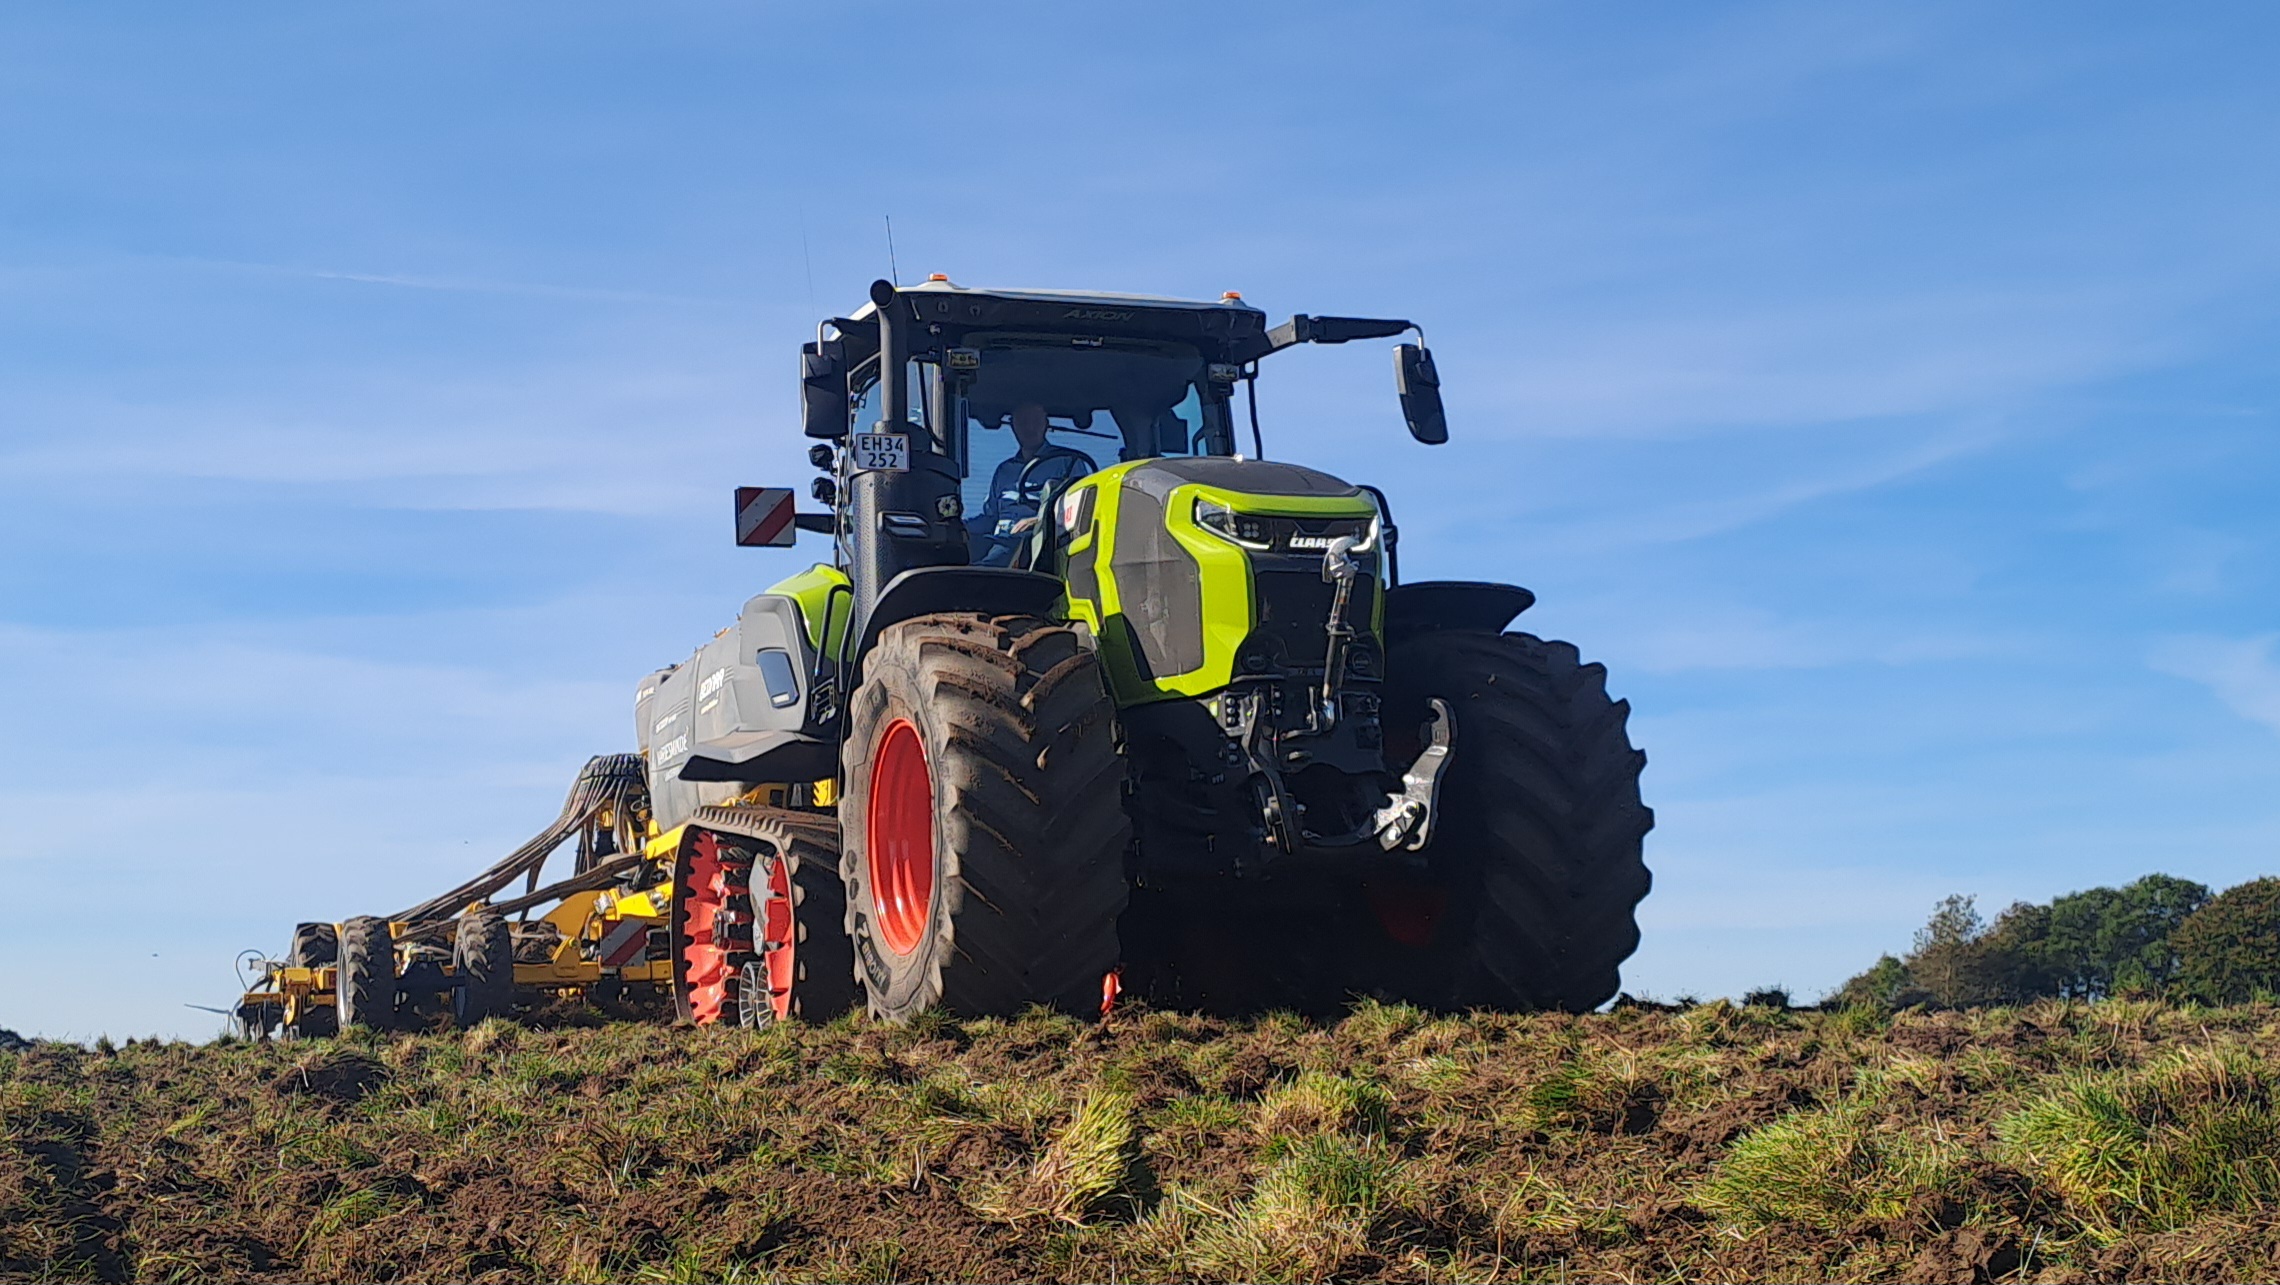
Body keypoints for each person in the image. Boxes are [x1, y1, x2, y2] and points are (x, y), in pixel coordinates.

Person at [967, 402, 1094, 564]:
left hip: (1036, 541)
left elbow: (1080, 509)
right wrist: (960, 526)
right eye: (1023, 422)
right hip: (998, 539)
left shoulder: (1068, 462)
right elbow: (990, 517)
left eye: (1035, 421)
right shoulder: (1004, 470)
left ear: (1046, 424)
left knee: (983, 570)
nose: (1029, 427)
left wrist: (1038, 520)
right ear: (1013, 426)